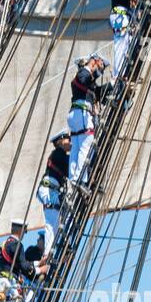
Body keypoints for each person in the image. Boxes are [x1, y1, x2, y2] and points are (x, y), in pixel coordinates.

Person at [0, 220, 49, 302]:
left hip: (0, 283)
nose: (24, 234)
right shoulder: (17, 245)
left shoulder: (5, 244)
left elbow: (19, 263)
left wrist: (39, 263)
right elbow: (24, 267)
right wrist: (41, 270)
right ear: (20, 231)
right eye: (24, 231)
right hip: (10, 286)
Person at [68, 54, 110, 186]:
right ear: (94, 62)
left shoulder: (88, 84)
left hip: (77, 114)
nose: (100, 72)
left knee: (76, 148)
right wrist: (91, 70)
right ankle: (80, 179)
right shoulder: (83, 74)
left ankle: (74, 178)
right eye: (100, 67)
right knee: (85, 146)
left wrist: (113, 84)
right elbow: (83, 78)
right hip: (82, 113)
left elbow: (97, 91)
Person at [37, 129, 70, 256]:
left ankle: (58, 249)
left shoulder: (58, 154)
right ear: (61, 141)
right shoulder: (58, 153)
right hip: (49, 190)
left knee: (57, 221)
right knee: (53, 223)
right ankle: (48, 255)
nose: (70, 142)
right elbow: (71, 171)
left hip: (51, 190)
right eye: (68, 139)